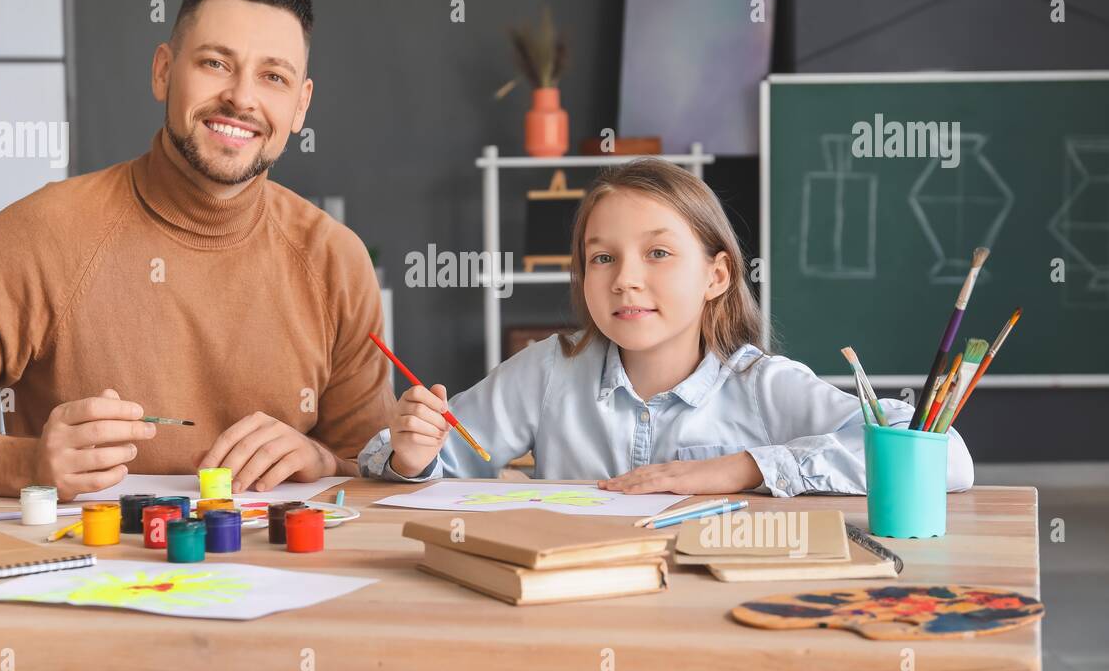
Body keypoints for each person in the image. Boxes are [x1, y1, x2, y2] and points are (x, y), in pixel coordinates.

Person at [0, 0, 394, 500]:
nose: (242, 98)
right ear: (164, 71)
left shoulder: (335, 259)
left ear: (300, 106)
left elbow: (372, 470)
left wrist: (323, 460)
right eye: (215, 63)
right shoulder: (44, 233)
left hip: (287, 584)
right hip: (81, 579)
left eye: (273, 76)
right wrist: (27, 464)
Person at [359, 159, 974, 497]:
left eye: (657, 254)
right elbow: (405, 462)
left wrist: (741, 468)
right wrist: (413, 457)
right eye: (602, 258)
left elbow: (944, 457)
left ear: (717, 275)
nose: (625, 279)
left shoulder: (762, 385)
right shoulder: (550, 370)